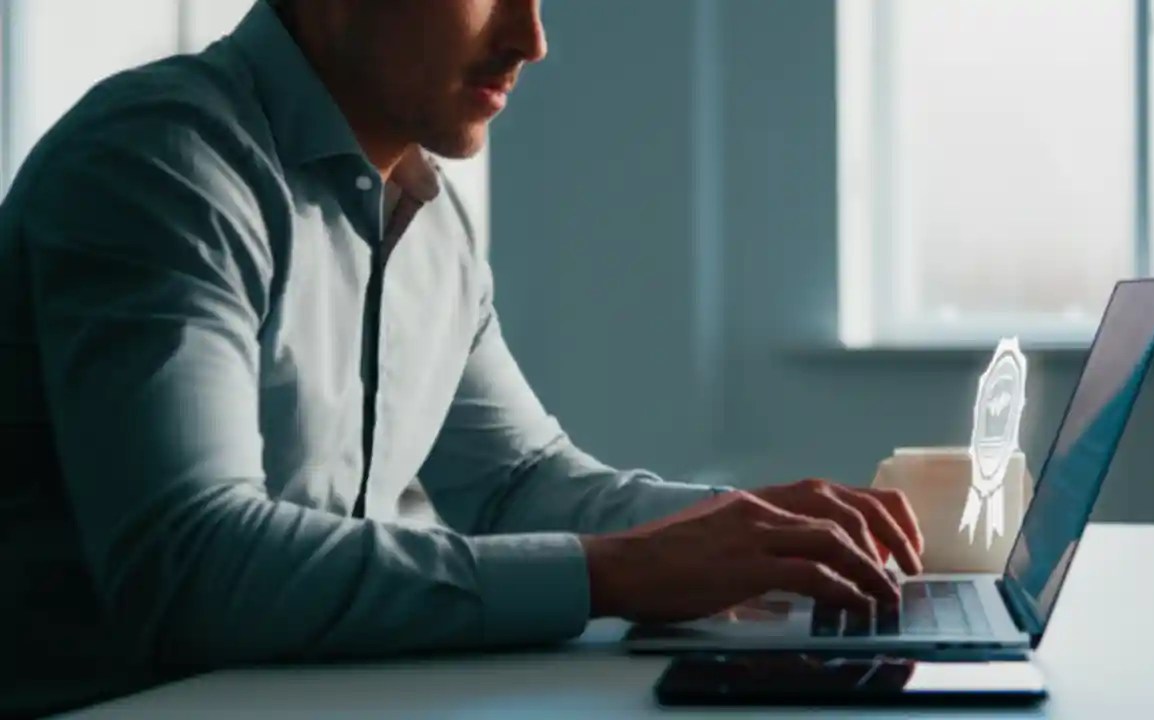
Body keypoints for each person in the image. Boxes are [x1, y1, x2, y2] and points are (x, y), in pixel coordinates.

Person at [0, 0, 924, 711]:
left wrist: (760, 534)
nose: (531, 38)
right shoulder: (160, 167)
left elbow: (520, 480)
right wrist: (613, 572)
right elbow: (192, 571)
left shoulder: (430, 222)